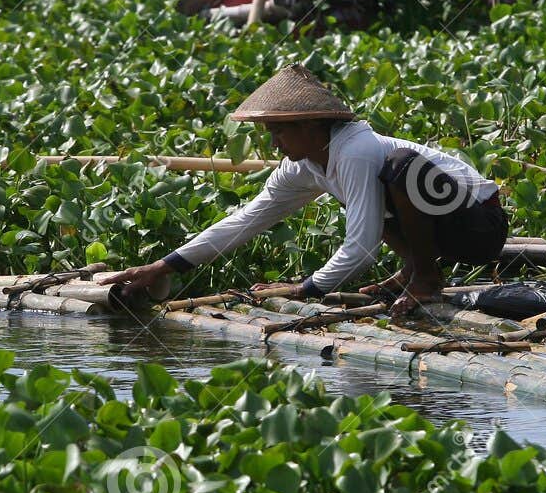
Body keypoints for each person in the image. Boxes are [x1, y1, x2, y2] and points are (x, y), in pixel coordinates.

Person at [100, 64, 508, 320]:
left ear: (311, 126)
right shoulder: (304, 166)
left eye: (279, 131)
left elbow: (362, 245)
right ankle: (416, 270)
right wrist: (165, 266)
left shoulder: (356, 150)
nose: (275, 142)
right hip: (440, 226)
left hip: (479, 226)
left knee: (398, 169)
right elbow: (247, 220)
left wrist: (310, 288)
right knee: (369, 190)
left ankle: (424, 277)